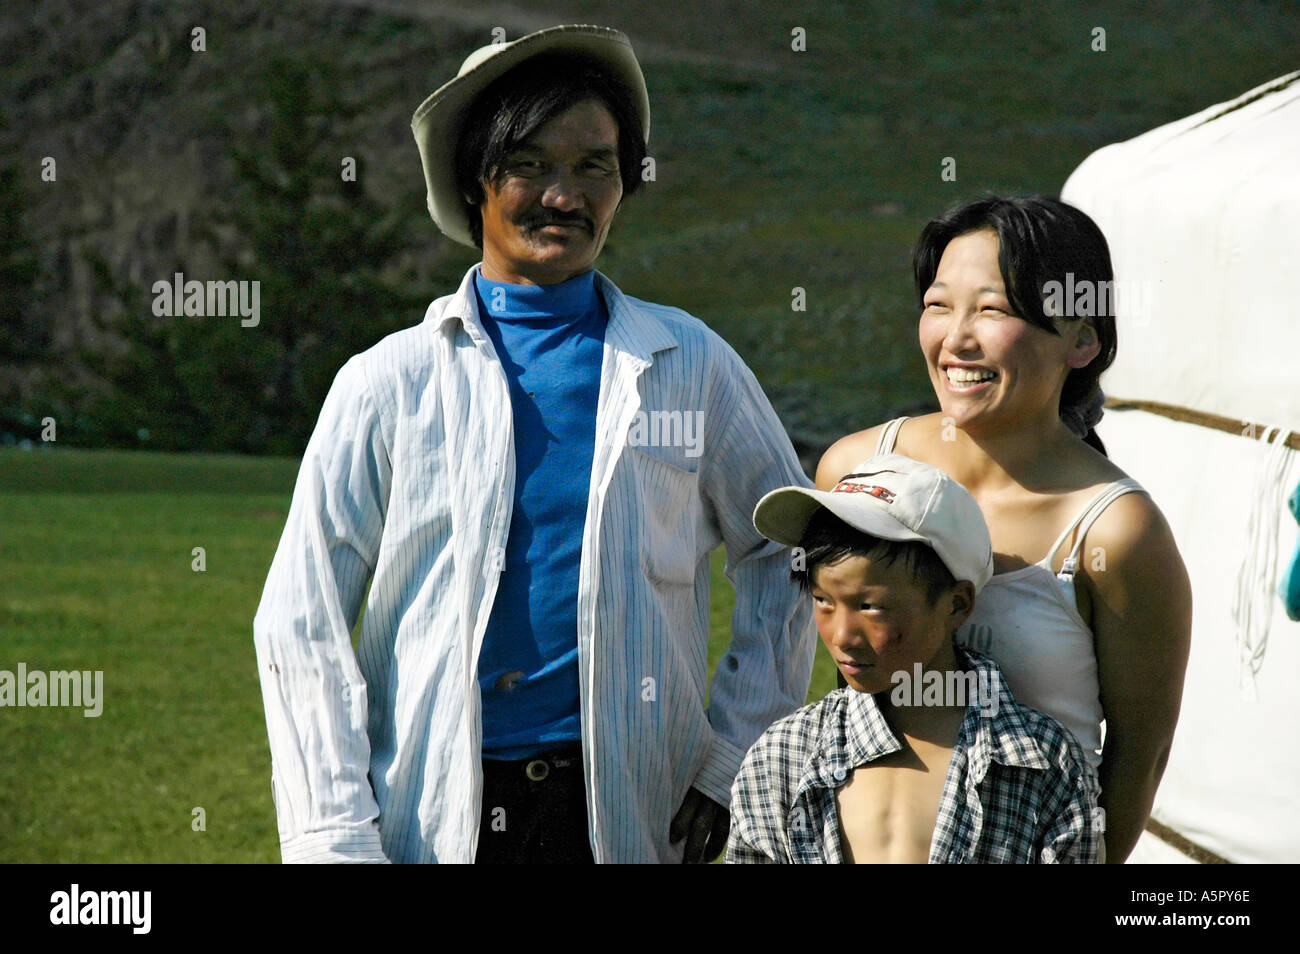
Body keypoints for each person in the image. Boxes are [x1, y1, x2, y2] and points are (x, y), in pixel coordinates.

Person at [252, 25, 816, 864]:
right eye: (530, 164)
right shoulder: (389, 382)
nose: (565, 195)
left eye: (595, 165)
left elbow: (787, 546)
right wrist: (333, 834)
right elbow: (302, 617)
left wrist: (735, 757)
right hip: (436, 811)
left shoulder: (688, 363)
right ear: (475, 181)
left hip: (633, 805)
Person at [817, 195, 1192, 863]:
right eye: (938, 305)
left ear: (1083, 339)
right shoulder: (854, 472)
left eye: (992, 310)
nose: (957, 338)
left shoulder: (1115, 533)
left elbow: (1140, 756)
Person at [726, 454, 1103, 863]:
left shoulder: (1042, 763)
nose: (842, 636)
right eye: (822, 600)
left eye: (871, 606)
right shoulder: (784, 755)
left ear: (957, 604)